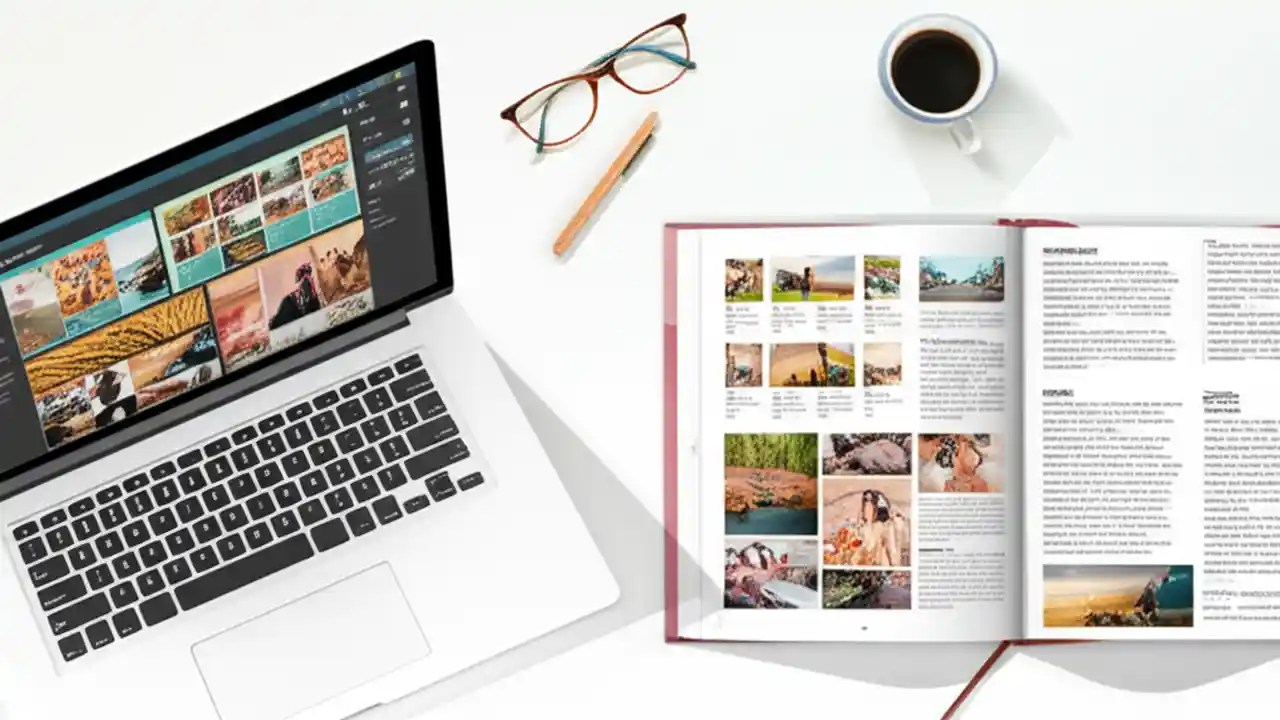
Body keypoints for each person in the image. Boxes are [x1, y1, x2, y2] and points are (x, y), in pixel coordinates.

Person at [854, 489, 901, 567]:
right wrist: (862, 523)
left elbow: (889, 509)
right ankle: (864, 561)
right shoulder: (869, 504)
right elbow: (864, 515)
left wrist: (893, 516)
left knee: (890, 546)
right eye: (866, 497)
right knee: (871, 544)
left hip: (887, 523)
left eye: (868, 496)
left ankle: (892, 564)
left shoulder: (879, 498)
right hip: (877, 524)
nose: (867, 498)